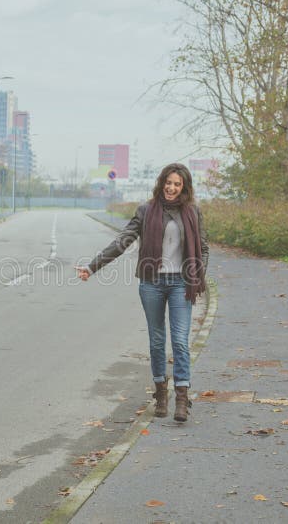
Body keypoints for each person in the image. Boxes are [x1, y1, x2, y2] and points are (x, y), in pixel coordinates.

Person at [76, 163, 209, 422]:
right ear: (161, 183)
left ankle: (182, 397)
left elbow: (203, 248)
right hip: (152, 283)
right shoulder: (146, 211)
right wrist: (93, 267)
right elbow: (122, 241)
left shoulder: (192, 212)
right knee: (157, 340)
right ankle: (161, 394)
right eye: (168, 183)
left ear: (184, 187)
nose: (171, 188)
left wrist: (198, 276)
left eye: (177, 184)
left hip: (181, 282)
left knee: (180, 341)